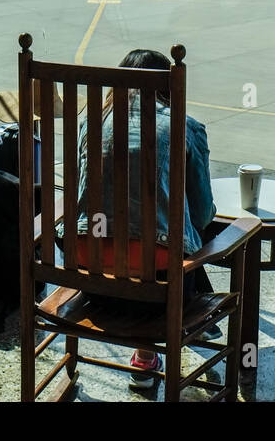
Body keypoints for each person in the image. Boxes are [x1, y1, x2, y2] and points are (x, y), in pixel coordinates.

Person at [75, 48, 215, 390]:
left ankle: (146, 354)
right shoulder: (184, 126)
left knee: (129, 234)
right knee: (172, 239)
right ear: (168, 86)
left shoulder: (89, 122)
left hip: (92, 284)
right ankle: (159, 342)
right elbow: (202, 213)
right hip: (159, 296)